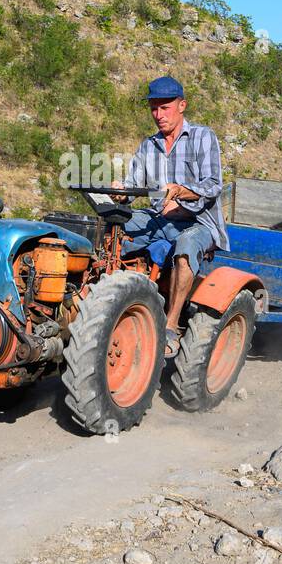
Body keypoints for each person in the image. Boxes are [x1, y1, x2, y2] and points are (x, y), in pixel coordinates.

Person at [113, 75, 229, 358]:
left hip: (198, 221)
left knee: (186, 247)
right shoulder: (147, 146)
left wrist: (181, 191)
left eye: (165, 107)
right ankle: (114, 301)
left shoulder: (202, 136)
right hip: (157, 217)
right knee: (113, 228)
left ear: (182, 105)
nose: (158, 114)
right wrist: (121, 193)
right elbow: (134, 187)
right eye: (154, 108)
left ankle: (172, 323)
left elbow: (213, 185)